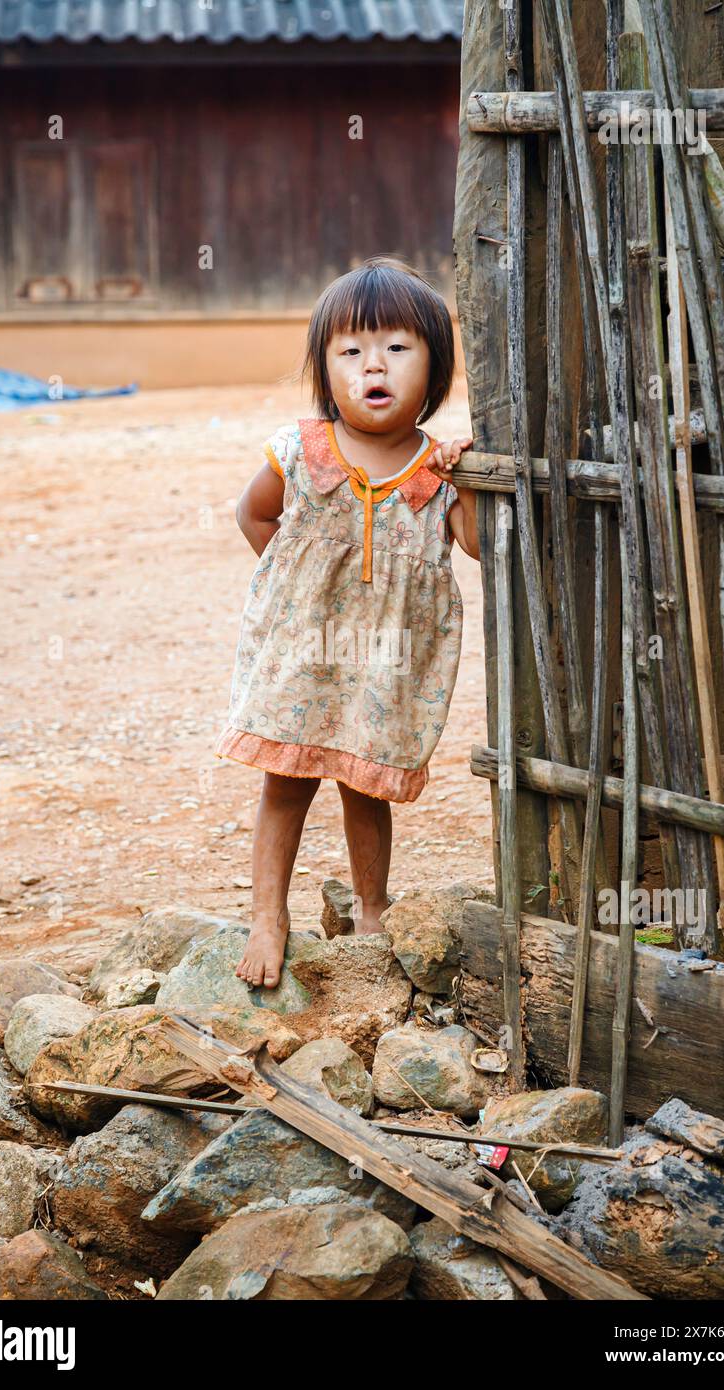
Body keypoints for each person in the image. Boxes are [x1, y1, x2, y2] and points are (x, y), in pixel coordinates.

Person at [215, 256, 477, 988]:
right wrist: (296, 590)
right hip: (304, 653)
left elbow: (477, 546)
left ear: (435, 366)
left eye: (396, 348)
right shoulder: (302, 451)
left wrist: (466, 478)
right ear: (325, 369)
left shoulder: (434, 469)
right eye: (352, 351)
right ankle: (267, 916)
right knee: (286, 781)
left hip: (385, 662)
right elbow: (253, 515)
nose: (374, 366)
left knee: (365, 786)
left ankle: (370, 908)